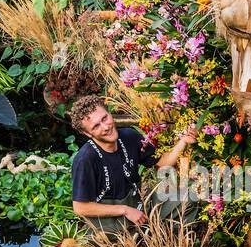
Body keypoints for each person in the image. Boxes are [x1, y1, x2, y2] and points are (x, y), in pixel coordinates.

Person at [69, 94, 198, 233]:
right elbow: (80, 208)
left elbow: (162, 163)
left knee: (189, 198)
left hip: (139, 206)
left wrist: (183, 141)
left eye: (104, 118)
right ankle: (142, 241)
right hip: (112, 222)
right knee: (124, 239)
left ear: (109, 113)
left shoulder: (129, 136)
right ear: (87, 133)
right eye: (96, 126)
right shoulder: (85, 160)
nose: (105, 127)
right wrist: (124, 210)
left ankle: (172, 238)